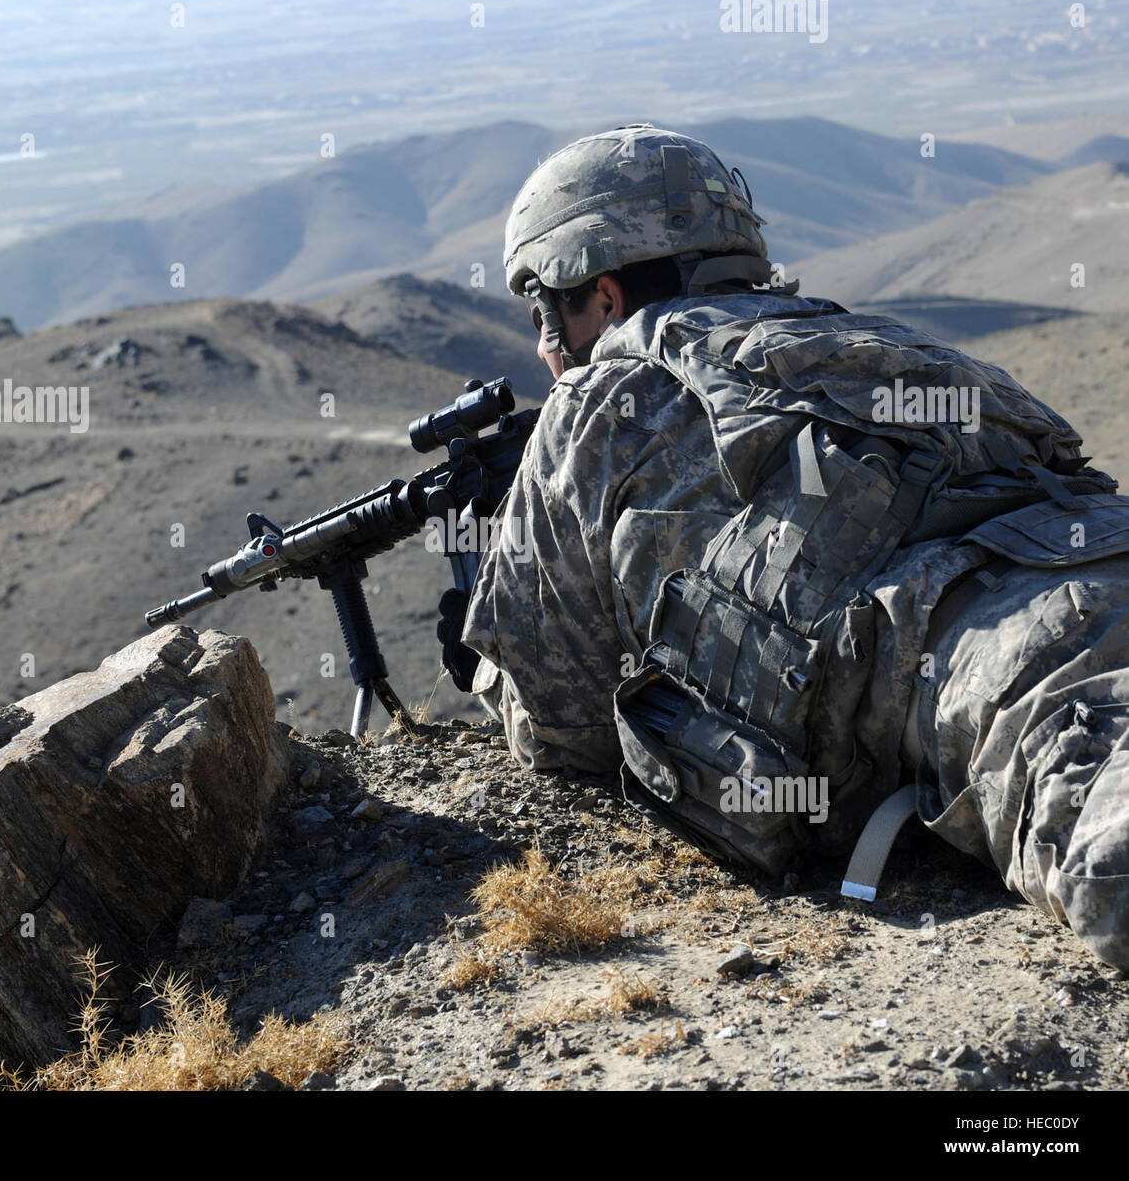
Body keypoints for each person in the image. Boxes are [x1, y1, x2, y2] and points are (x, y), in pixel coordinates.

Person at [452, 123, 1129, 970]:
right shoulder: (869, 343)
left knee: (1114, 868)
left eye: (545, 313)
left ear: (605, 296)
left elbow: (561, 730)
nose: (548, 349)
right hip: (1096, 556)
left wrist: (488, 646)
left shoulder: (596, 401)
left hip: (1008, 665)